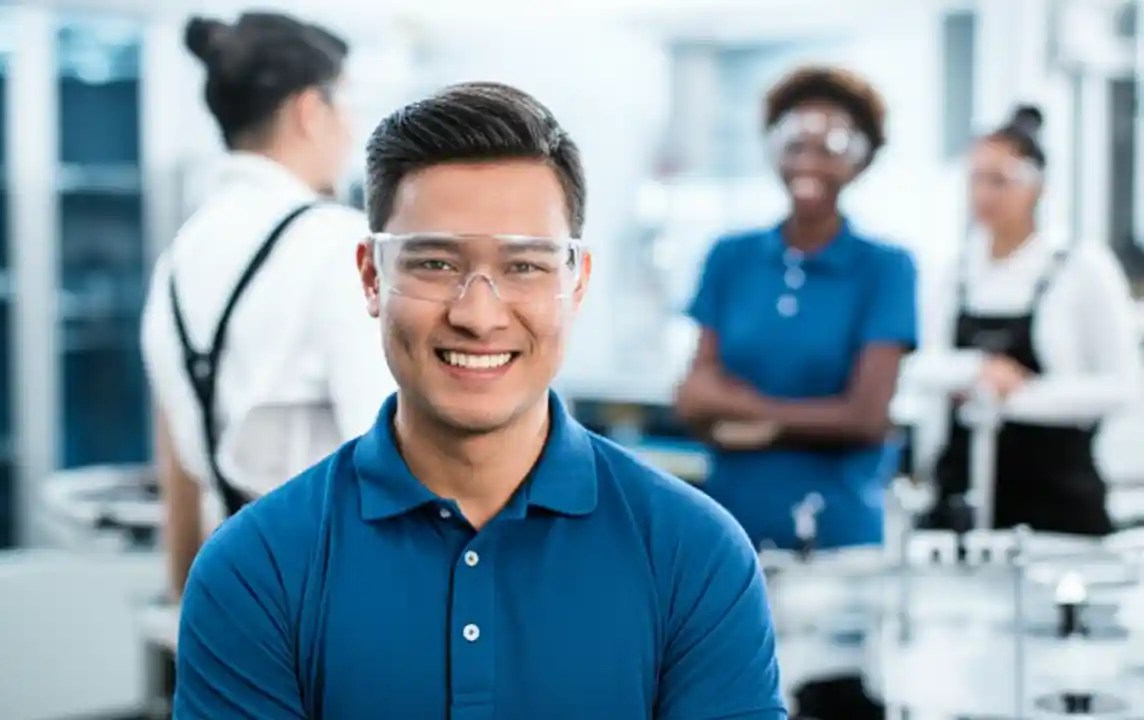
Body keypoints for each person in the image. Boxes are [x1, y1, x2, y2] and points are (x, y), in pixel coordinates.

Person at [172, 81, 786, 719]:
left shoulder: (694, 555)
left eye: (524, 266)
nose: (478, 314)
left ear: (576, 283)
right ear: (370, 277)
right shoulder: (258, 570)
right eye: (434, 264)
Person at [140, 13, 394, 599]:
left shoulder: (178, 259)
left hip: (231, 587)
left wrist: (186, 603)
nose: (351, 130)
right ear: (310, 111)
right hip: (335, 594)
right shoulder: (336, 245)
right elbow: (390, 457)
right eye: (346, 105)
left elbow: (176, 460)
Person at [675, 66, 918, 552]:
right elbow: (692, 399)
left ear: (862, 160)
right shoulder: (730, 256)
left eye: (829, 149)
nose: (809, 162)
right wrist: (803, 419)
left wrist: (750, 413)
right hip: (728, 527)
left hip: (837, 533)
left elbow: (868, 417)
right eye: (794, 145)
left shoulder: (885, 268)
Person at [903, 105, 1141, 536]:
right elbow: (920, 364)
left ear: (1037, 187)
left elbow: (1123, 384)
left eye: (1000, 180)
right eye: (976, 179)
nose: (984, 195)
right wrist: (977, 371)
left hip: (1059, 503)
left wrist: (1016, 396)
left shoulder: (1079, 269)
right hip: (965, 505)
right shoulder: (953, 273)